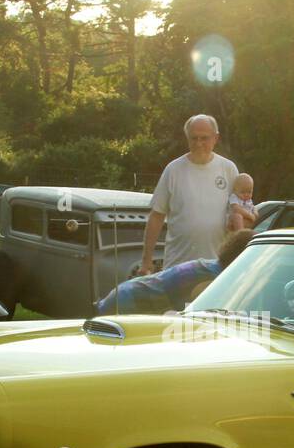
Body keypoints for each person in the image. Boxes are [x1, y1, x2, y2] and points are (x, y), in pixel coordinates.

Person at [138, 114, 240, 274]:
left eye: (204, 138)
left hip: (218, 265)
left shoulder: (228, 169)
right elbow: (156, 216)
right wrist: (146, 261)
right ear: (187, 138)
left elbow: (240, 210)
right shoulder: (173, 170)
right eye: (194, 138)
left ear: (216, 138)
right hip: (177, 266)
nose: (199, 143)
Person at [96, 230, 253, 316]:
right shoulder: (212, 281)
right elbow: (195, 319)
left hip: (123, 293)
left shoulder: (211, 266)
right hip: (125, 304)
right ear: (243, 259)